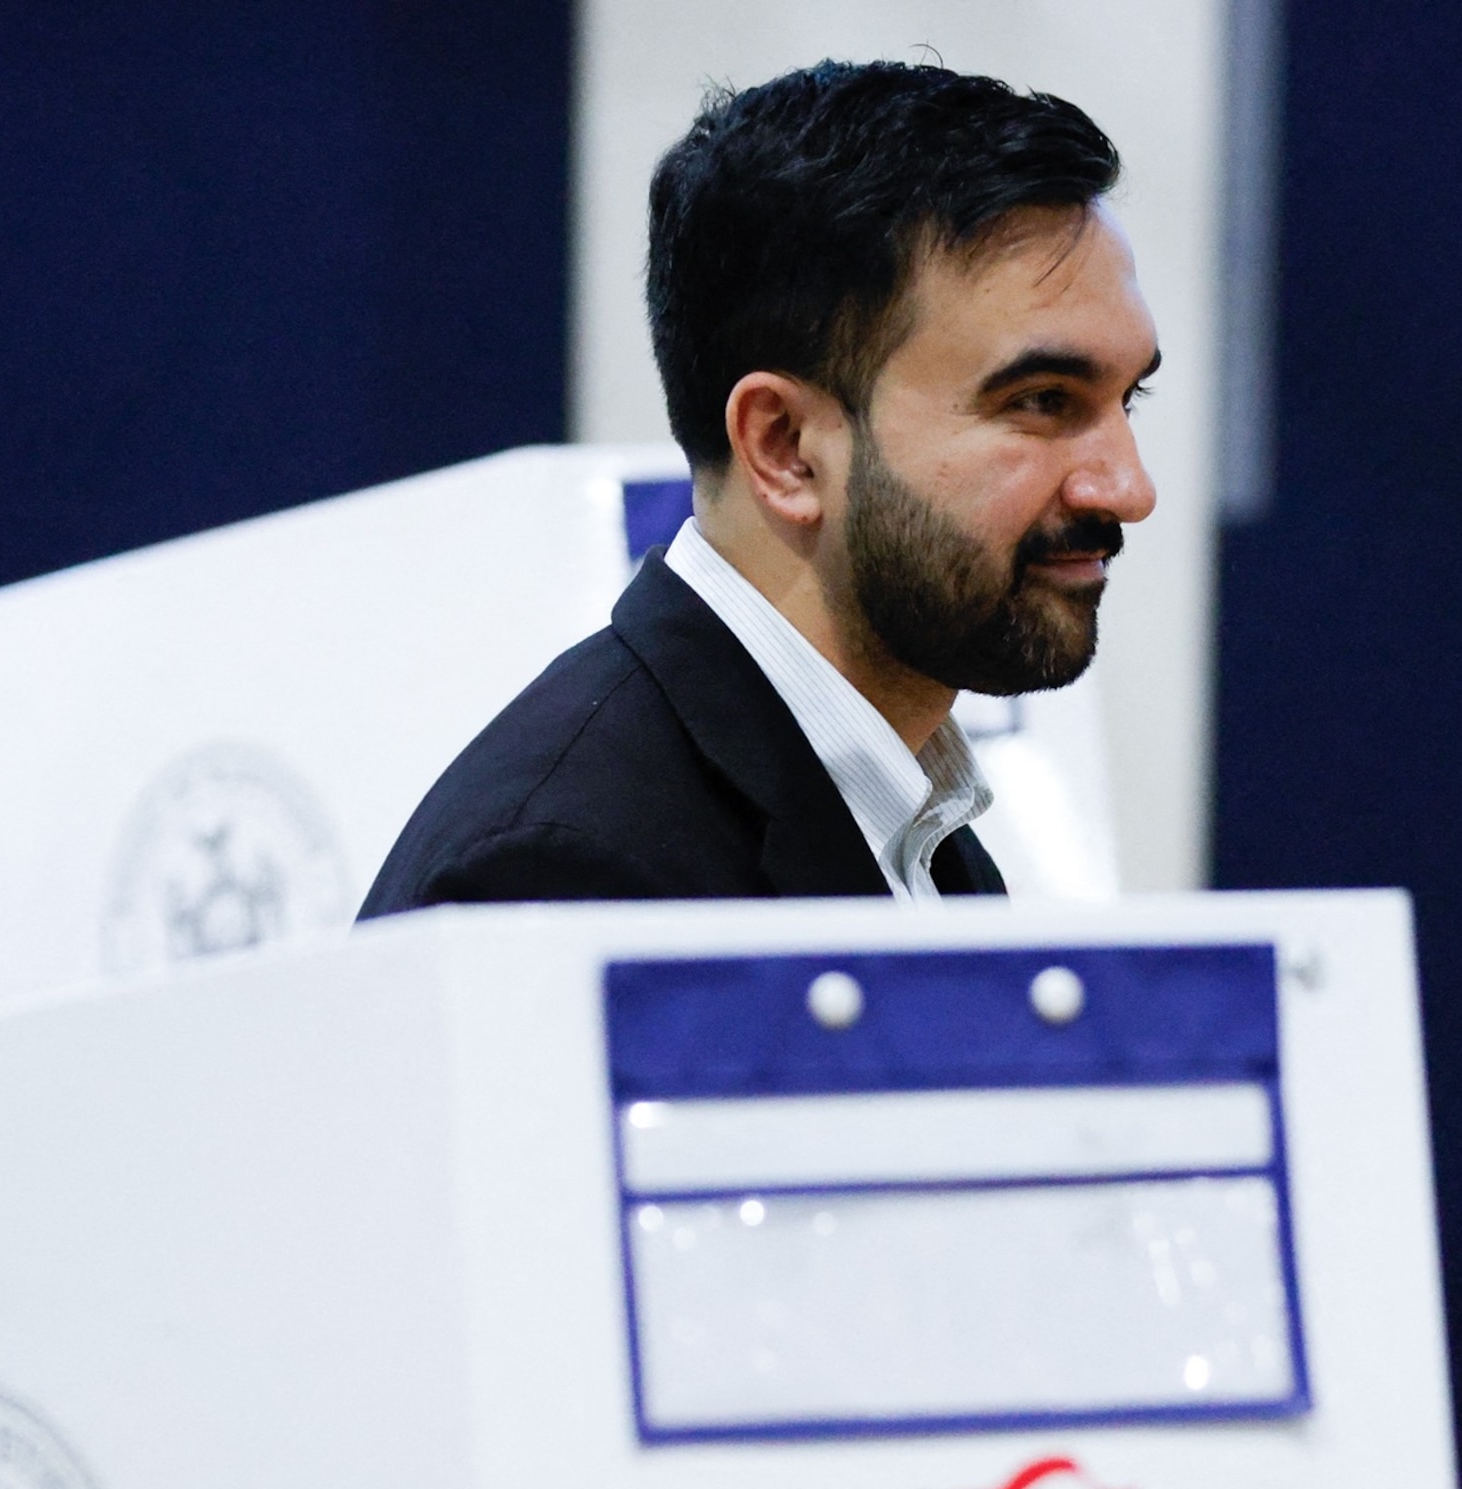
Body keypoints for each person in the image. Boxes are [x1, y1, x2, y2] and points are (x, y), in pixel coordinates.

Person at [360, 61, 1160, 913]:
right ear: (784, 447)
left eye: (1128, 398)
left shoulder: (913, 823)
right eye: (1041, 402)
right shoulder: (564, 875)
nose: (1129, 487)